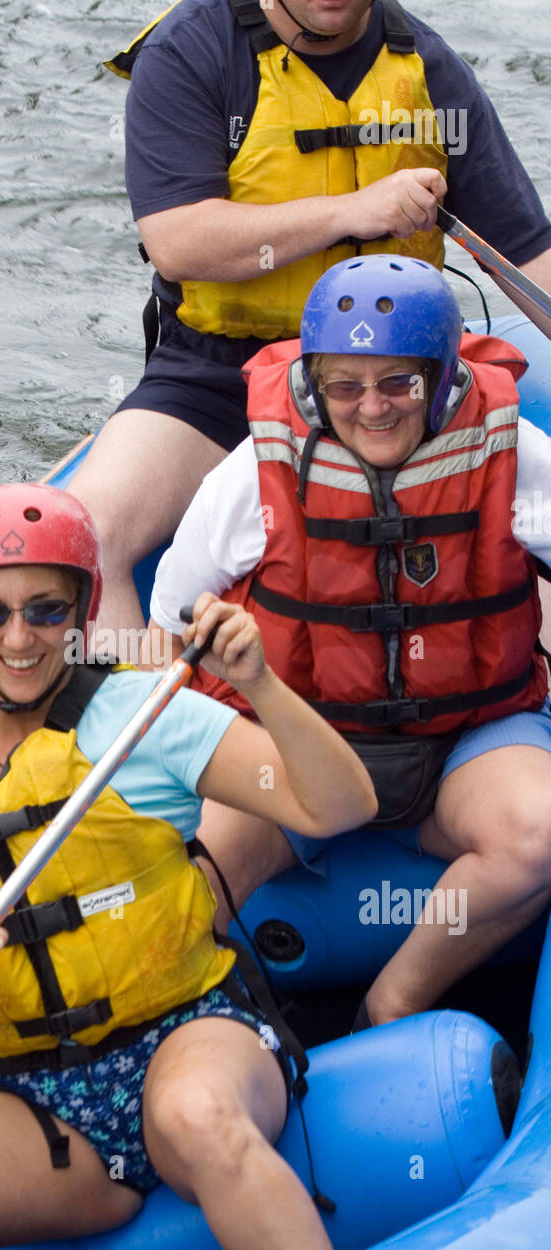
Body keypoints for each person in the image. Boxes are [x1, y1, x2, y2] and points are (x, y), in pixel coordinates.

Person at [0, 482, 376, 1250]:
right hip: (41, 1106)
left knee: (195, 1117)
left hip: (188, 1038)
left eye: (46, 610)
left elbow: (341, 805)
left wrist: (262, 685)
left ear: (81, 611)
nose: (19, 638)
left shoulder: (144, 714)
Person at [148, 253, 551, 1030]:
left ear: (441, 378)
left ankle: (392, 1000)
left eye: (399, 383)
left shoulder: (513, 452)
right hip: (300, 749)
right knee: (177, 892)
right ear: (313, 384)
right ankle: (200, 1035)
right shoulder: (253, 471)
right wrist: (192, 768)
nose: (372, 409)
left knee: (538, 832)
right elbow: (171, 622)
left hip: (466, 741)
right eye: (346, 386)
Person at [70, 0, 551, 637]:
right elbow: (177, 240)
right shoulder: (193, 51)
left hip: (406, 380)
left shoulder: (429, 71)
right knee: (85, 535)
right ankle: (146, 723)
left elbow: (528, 255)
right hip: (220, 378)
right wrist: (353, 211)